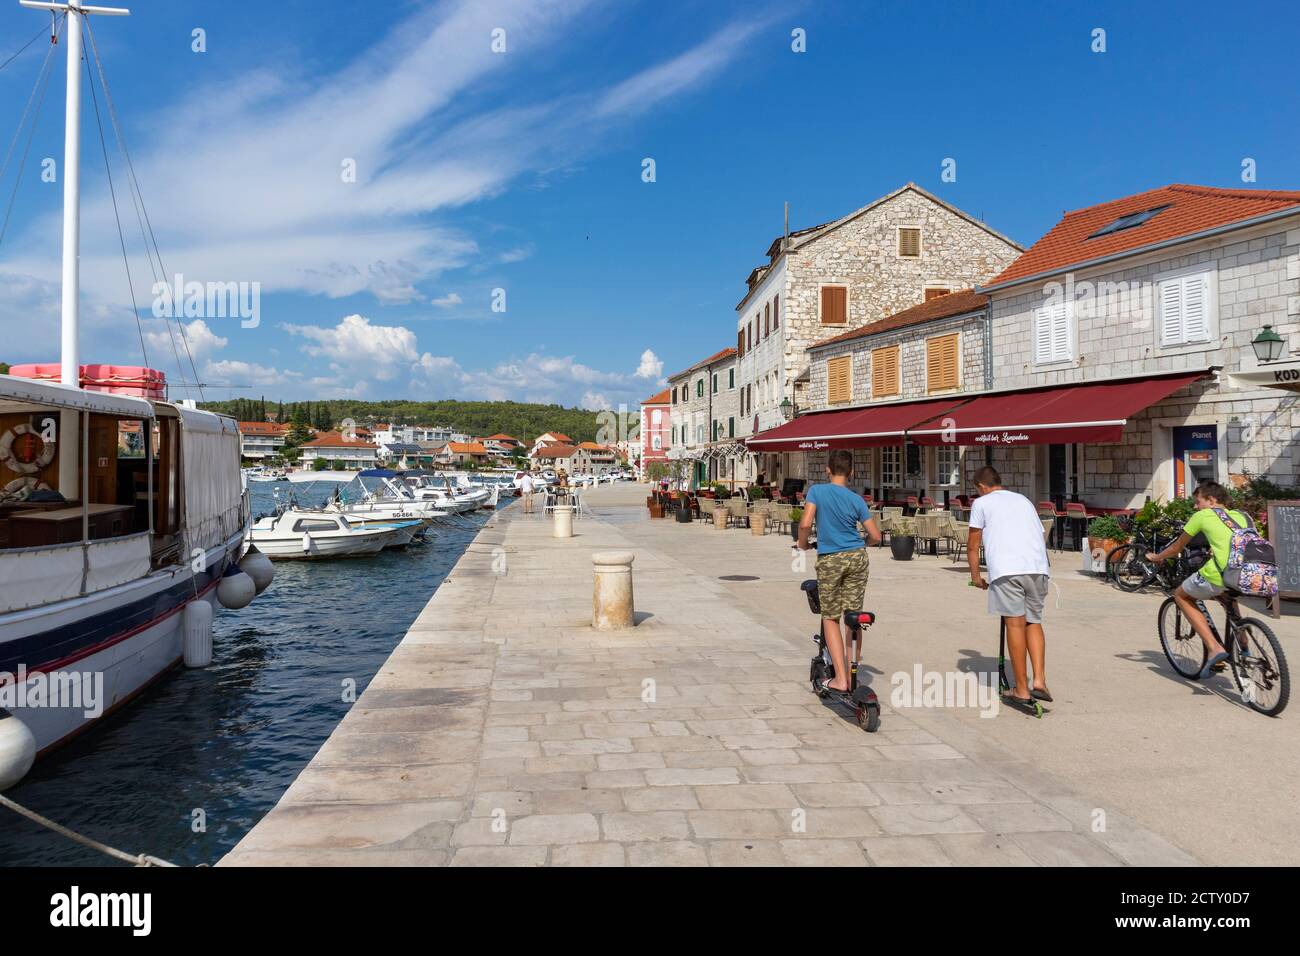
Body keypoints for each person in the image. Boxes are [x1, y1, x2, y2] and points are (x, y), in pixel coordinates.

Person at [1145, 481, 1251, 678]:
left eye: (1198, 501)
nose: (1195, 506)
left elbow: (1176, 548)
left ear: (1211, 500)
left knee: (1181, 596)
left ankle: (1214, 648)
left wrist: (1156, 557)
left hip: (1220, 574)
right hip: (1248, 574)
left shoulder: (1202, 516)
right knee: (1228, 596)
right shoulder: (1242, 516)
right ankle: (1244, 645)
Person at [967, 466, 1052, 707]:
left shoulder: (982, 504)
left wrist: (976, 577)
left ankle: (1022, 689)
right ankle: (1039, 680)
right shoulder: (1023, 499)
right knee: (1033, 621)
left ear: (982, 487)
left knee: (1014, 624)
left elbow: (973, 546)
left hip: (1007, 569)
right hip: (1037, 567)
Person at [797, 449, 882, 693]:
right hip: (857, 558)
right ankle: (853, 674)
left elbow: (805, 523)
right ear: (852, 473)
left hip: (831, 559)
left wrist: (802, 544)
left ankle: (841, 679)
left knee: (830, 617)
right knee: (853, 617)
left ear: (828, 470)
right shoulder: (857, 499)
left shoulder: (817, 491)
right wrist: (861, 545)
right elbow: (875, 536)